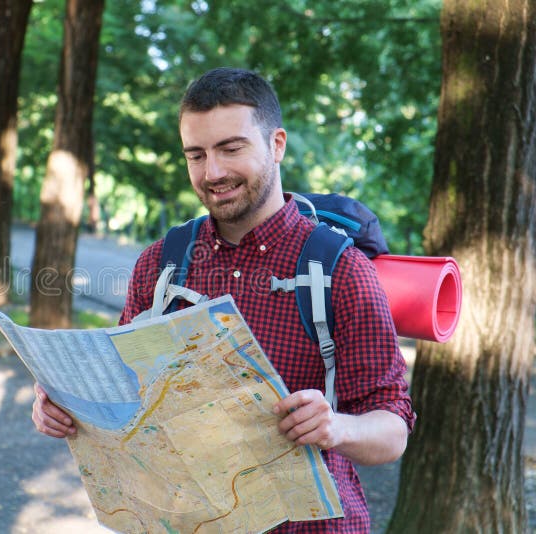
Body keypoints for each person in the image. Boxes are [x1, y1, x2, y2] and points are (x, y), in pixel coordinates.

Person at [32, 67, 415, 532]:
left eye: (231, 149)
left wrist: (337, 426)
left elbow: (393, 428)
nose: (213, 172)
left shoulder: (341, 269)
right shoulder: (160, 262)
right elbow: (126, 391)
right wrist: (67, 405)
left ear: (276, 145)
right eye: (196, 155)